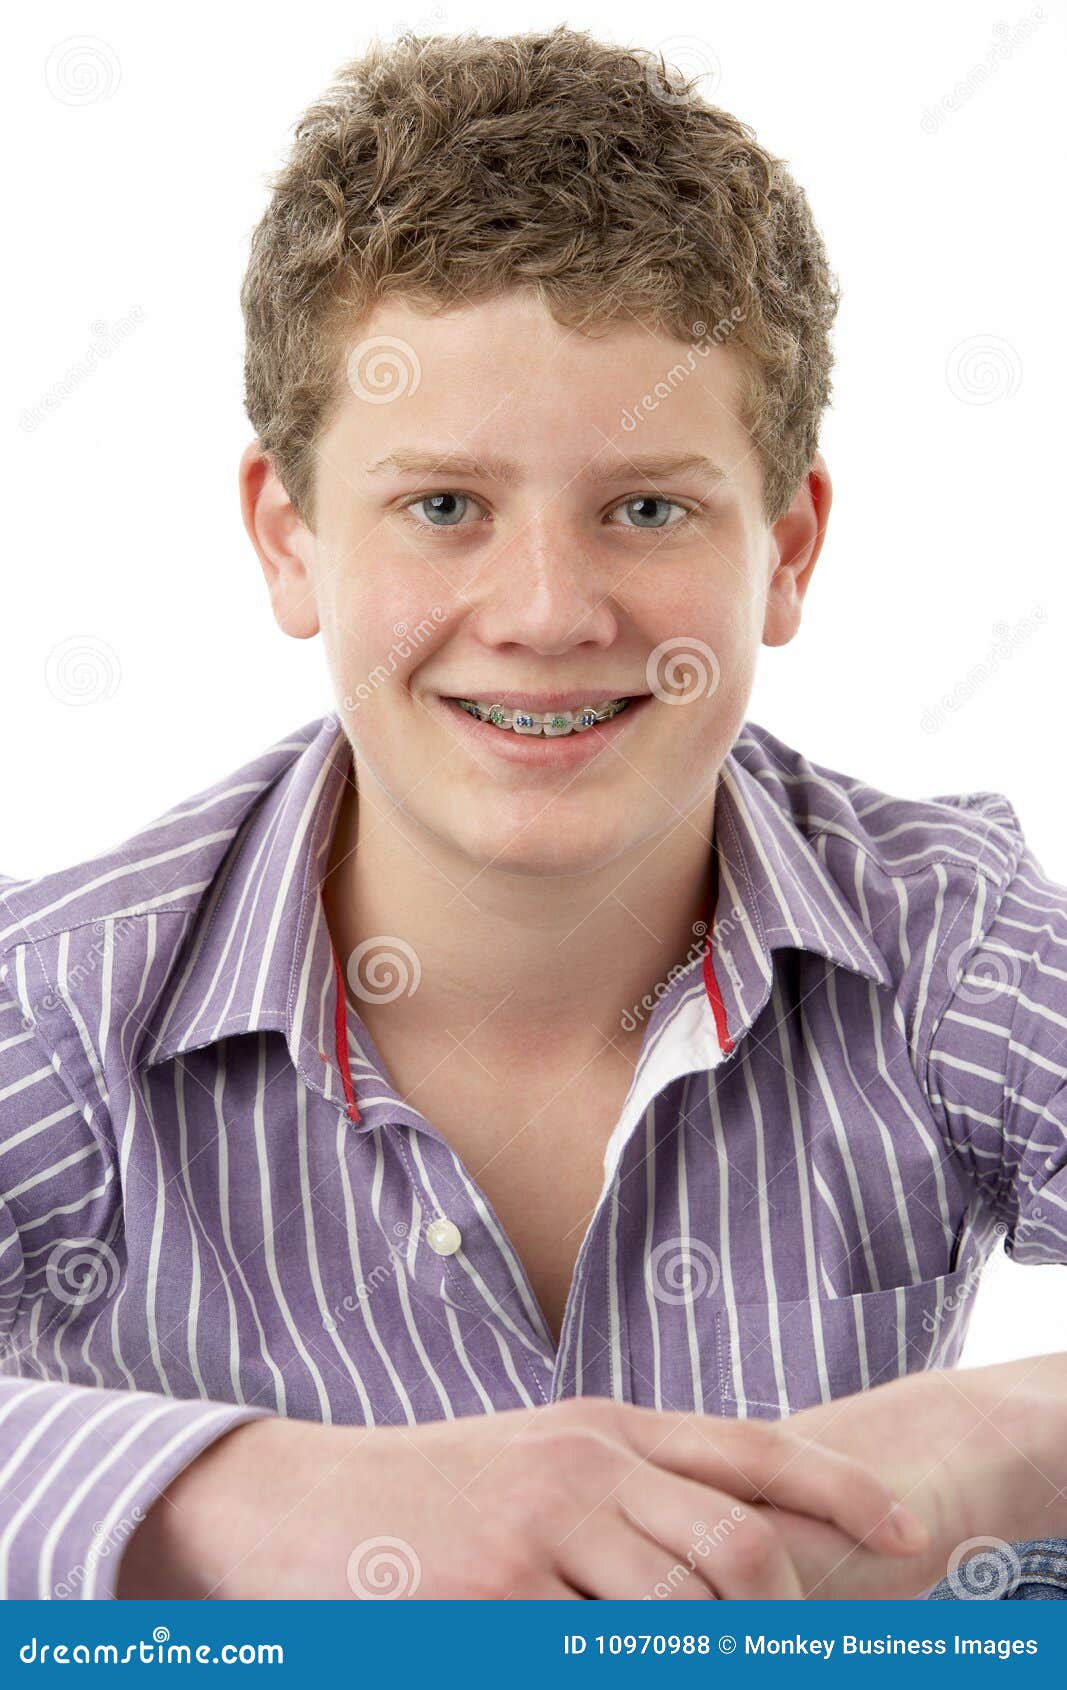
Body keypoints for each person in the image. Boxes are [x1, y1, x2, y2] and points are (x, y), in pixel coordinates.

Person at [1, 25, 1065, 1602]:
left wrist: (998, 1443)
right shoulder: (59, 1005)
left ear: (785, 550)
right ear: (289, 540)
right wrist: (259, 1496)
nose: (549, 611)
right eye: (443, 506)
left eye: (648, 507)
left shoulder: (951, 946)